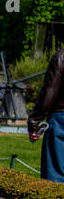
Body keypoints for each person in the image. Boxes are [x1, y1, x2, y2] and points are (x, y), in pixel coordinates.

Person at [28, 44, 64, 182]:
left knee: (55, 179)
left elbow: (49, 92)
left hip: (61, 119)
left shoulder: (61, 57)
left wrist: (34, 122)